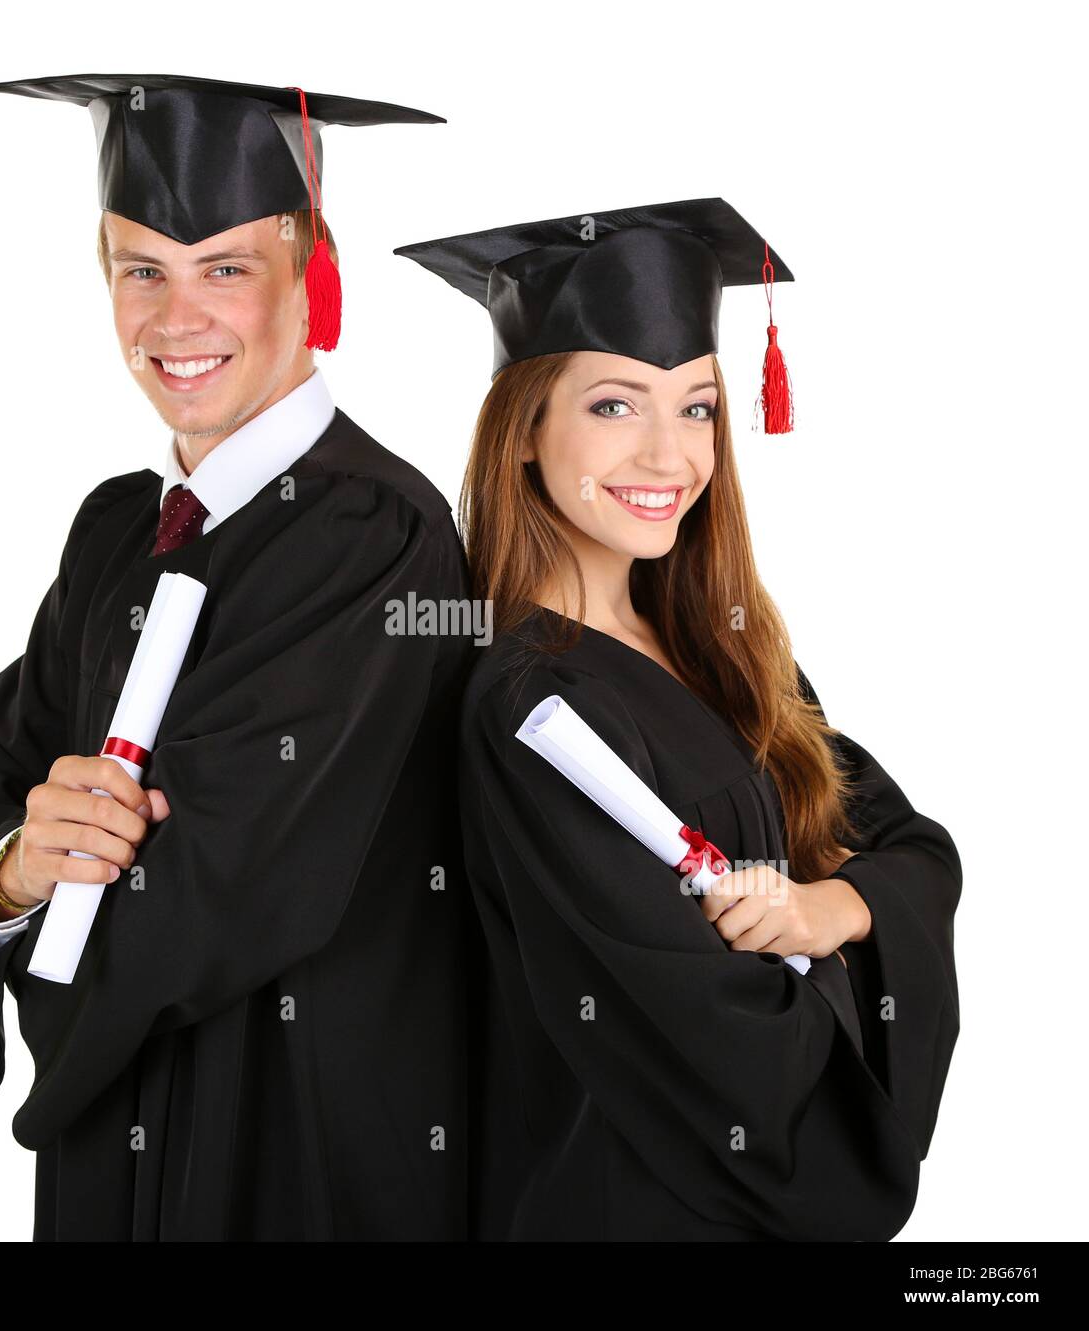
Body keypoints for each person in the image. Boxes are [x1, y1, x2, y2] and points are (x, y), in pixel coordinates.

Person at [0, 73, 473, 1241]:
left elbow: (221, 881)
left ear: (309, 275)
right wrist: (17, 867)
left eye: (225, 268)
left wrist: (72, 921)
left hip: (293, 1140)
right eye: (141, 270)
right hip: (116, 1151)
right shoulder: (120, 524)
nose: (177, 320)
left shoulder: (374, 532)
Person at [395, 199, 963, 1241]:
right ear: (524, 428)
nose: (668, 455)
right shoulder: (527, 705)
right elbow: (709, 1034)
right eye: (614, 406)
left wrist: (824, 912)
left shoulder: (731, 647)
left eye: (696, 407)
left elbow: (919, 851)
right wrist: (840, 908)